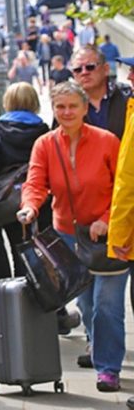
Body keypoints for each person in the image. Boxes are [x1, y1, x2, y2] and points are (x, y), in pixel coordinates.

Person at [18, 80, 126, 392]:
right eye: (60, 107)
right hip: (67, 234)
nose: (66, 112)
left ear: (84, 110)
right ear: (53, 109)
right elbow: (36, 182)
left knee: (108, 304)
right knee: (87, 303)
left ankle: (108, 368)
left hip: (107, 235)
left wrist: (106, 220)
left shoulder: (106, 141)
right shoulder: (45, 144)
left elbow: (124, 188)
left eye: (72, 106)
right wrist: (29, 207)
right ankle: (97, 344)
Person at [0, 82, 47, 278]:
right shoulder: (43, 130)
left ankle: (17, 297)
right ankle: (38, 295)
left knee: (14, 246)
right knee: (35, 250)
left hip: (7, 200)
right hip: (37, 199)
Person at [73, 44, 131, 140]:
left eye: (90, 67)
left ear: (106, 69)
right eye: (77, 69)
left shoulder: (127, 97)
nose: (84, 72)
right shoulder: (67, 104)